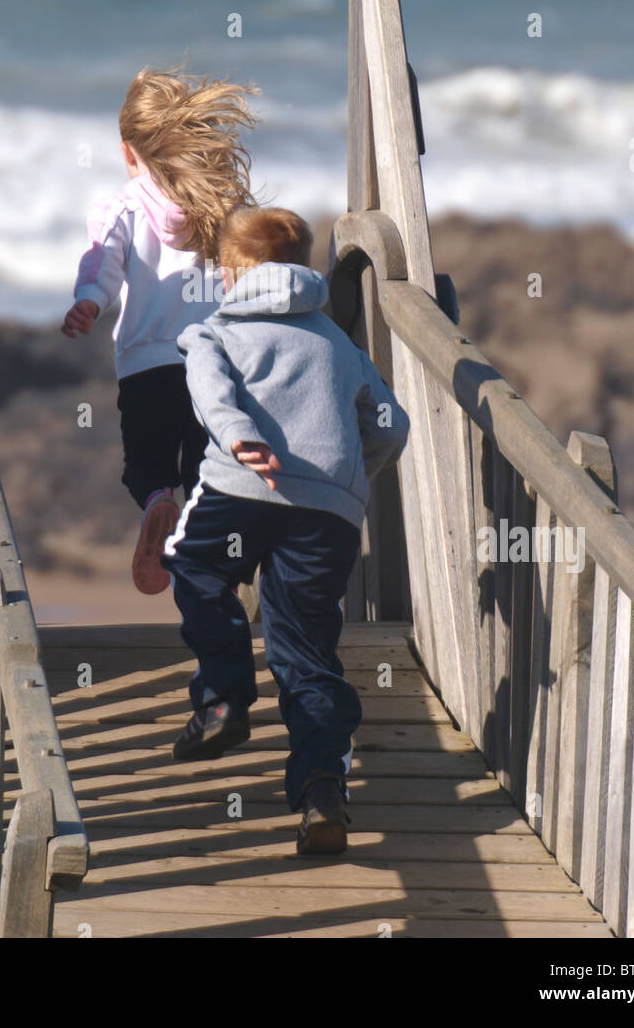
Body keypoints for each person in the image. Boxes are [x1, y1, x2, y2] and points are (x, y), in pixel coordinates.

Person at [163, 205, 409, 855]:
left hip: (241, 487)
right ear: (300, 268)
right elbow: (391, 424)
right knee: (304, 646)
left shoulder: (213, 331)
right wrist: (348, 482)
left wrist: (242, 440)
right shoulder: (337, 343)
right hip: (327, 510)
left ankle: (222, 700)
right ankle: (322, 787)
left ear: (232, 272)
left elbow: (211, 395)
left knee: (194, 566)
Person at [61, 66, 257, 594]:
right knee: (206, 468)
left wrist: (88, 303)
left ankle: (156, 503)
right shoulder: (222, 205)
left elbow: (101, 266)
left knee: (144, 464)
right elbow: (247, 274)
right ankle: (201, 551)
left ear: (129, 152)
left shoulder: (120, 208)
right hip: (214, 364)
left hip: (146, 365)